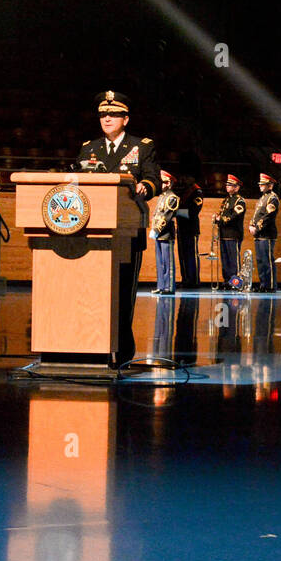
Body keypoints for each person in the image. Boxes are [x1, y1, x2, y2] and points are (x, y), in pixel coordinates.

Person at [76, 90, 159, 366]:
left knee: (123, 291)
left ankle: (122, 350)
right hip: (92, 229)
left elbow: (153, 179)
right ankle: (94, 345)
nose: (107, 118)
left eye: (112, 114)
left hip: (127, 229)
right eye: (102, 114)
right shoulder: (89, 148)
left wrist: (144, 187)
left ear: (126, 118)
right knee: (92, 290)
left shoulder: (142, 147)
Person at [213, 174, 246, 289]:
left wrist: (220, 219)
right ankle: (227, 281)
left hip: (233, 234)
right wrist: (217, 218)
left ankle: (235, 283)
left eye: (230, 185)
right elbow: (223, 215)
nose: (227, 186)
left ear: (237, 187)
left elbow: (233, 217)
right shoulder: (226, 200)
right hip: (224, 234)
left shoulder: (239, 201)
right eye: (227, 184)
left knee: (233, 261)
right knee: (225, 260)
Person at [150, 170, 180, 295]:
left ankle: (169, 286)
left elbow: (166, 216)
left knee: (168, 262)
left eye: (163, 182)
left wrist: (156, 229)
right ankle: (161, 285)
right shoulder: (162, 197)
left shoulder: (172, 198)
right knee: (160, 261)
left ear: (169, 183)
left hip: (166, 233)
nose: (161, 185)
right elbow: (156, 214)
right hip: (159, 233)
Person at [250, 172, 280, 292]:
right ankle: (263, 284)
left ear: (270, 185)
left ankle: (270, 285)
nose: (260, 186)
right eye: (260, 184)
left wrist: (256, 227)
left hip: (267, 234)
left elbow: (269, 216)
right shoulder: (262, 198)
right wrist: (251, 224)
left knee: (267, 260)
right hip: (259, 235)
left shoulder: (272, 198)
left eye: (263, 184)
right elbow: (257, 214)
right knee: (261, 261)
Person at [176, 174, 203, 289]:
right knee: (183, 255)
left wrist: (177, 212)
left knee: (192, 255)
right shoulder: (186, 191)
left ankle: (194, 280)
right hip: (182, 227)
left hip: (191, 228)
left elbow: (194, 211)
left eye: (187, 176)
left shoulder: (197, 192)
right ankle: (186, 278)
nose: (184, 179)